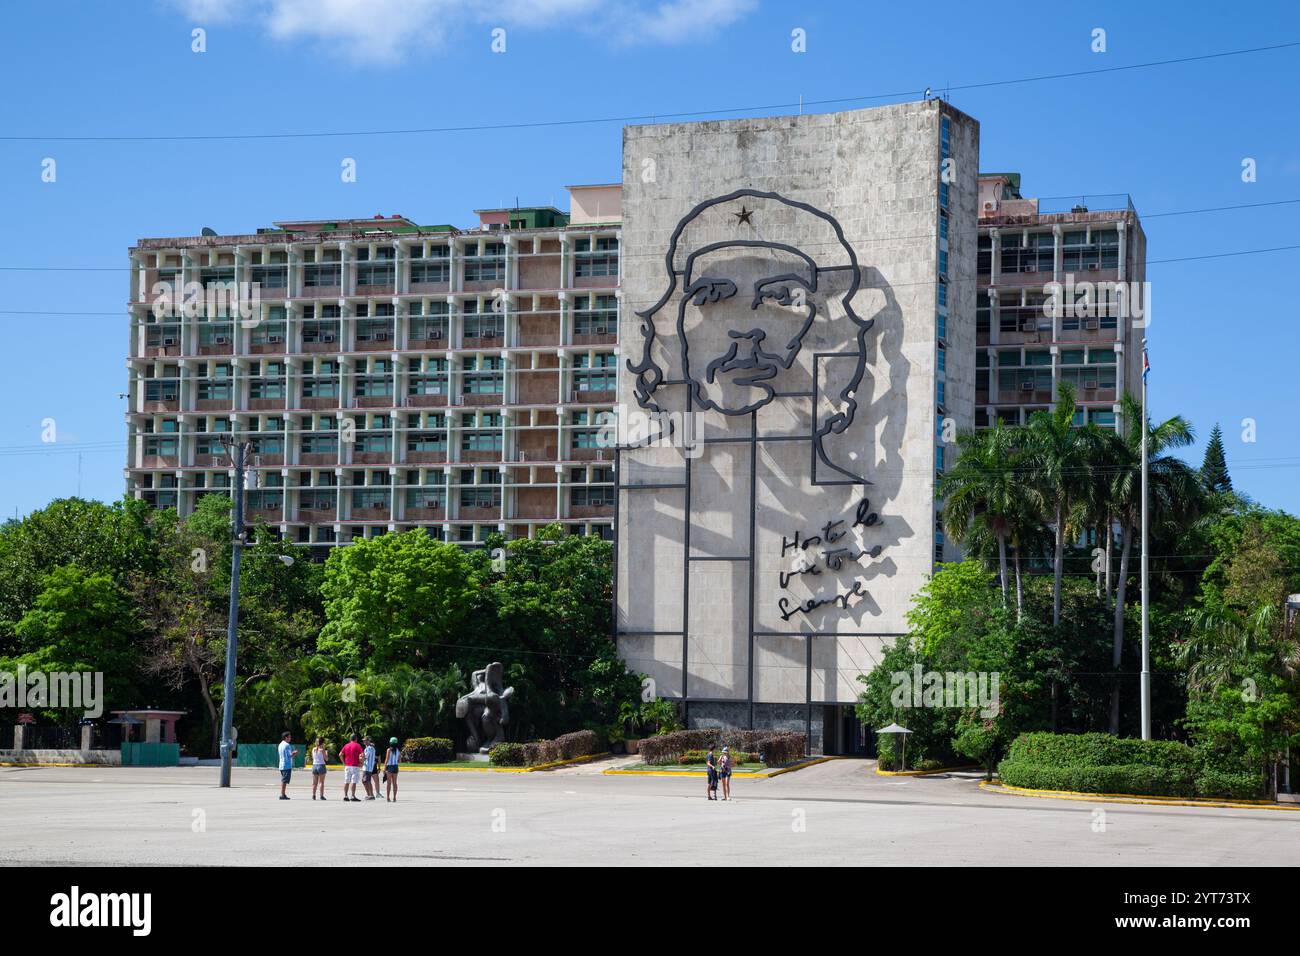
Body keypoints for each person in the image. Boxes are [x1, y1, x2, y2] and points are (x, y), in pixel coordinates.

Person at [339, 733, 364, 802]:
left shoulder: (346, 745)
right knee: (354, 781)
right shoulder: (358, 745)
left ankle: (345, 795)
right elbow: (362, 755)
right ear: (356, 739)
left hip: (347, 766)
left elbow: (340, 754)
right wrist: (361, 763)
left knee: (346, 781)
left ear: (350, 739)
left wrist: (343, 762)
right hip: (355, 766)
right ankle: (352, 796)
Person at [276, 731, 297, 800]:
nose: (290, 738)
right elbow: (289, 755)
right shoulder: (287, 745)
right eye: (289, 737)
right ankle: (282, 794)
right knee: (284, 781)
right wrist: (294, 753)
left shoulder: (280, 744)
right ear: (286, 737)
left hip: (281, 765)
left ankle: (283, 794)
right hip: (286, 765)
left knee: (284, 780)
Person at [383, 736, 401, 803]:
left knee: (389, 783)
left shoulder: (389, 750)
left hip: (389, 767)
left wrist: (384, 769)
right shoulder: (398, 751)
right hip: (395, 767)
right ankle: (394, 797)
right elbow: (399, 761)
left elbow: (386, 760)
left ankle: (388, 797)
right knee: (395, 783)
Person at [362, 737, 379, 801]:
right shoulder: (372, 748)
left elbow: (365, 757)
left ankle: (371, 795)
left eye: (366, 741)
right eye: (363, 741)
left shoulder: (367, 749)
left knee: (366, 781)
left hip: (367, 767)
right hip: (370, 767)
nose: (364, 742)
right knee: (366, 781)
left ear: (369, 741)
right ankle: (370, 794)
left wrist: (361, 757)